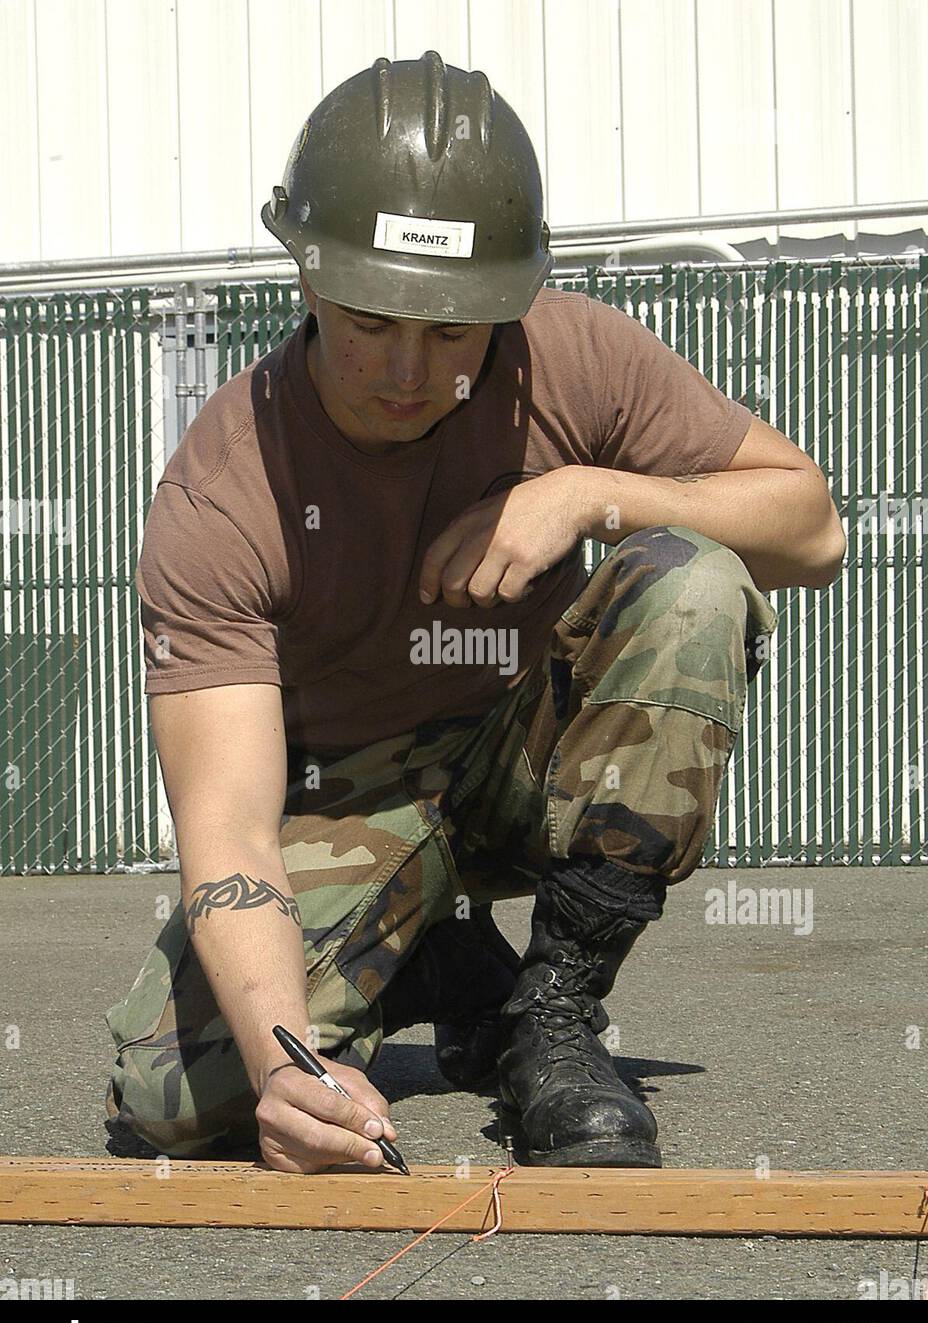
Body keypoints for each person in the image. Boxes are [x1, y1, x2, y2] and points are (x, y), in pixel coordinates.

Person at [104, 50, 845, 1173]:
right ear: (305, 277)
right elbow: (230, 833)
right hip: (352, 802)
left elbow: (812, 527)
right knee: (172, 1095)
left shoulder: (575, 355)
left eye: (454, 331)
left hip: (521, 759)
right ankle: (437, 959)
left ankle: (550, 1017)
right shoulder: (220, 492)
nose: (409, 369)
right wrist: (285, 1072)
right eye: (371, 319)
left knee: (690, 573)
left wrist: (587, 493)